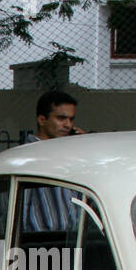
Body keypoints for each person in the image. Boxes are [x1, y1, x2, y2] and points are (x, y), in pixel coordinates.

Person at [20, 90, 84, 235]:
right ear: (42, 120)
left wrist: (83, 148)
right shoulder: (27, 157)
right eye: (61, 118)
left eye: (71, 119)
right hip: (38, 244)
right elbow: (18, 211)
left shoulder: (67, 156)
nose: (68, 125)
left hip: (71, 240)